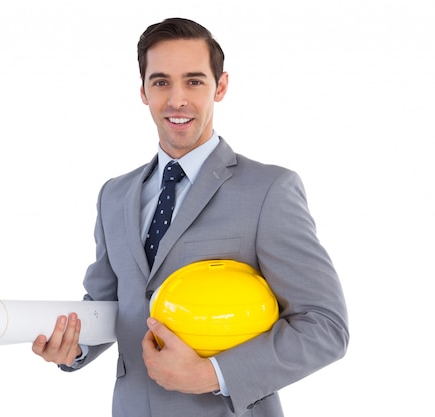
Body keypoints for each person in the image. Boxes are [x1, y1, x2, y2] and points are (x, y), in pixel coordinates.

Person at [32, 17, 349, 417]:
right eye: (161, 81)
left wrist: (214, 374)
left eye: (194, 81)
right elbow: (109, 304)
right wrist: (73, 348)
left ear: (221, 86)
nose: (176, 99)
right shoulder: (114, 195)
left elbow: (324, 327)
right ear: (143, 91)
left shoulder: (269, 190)